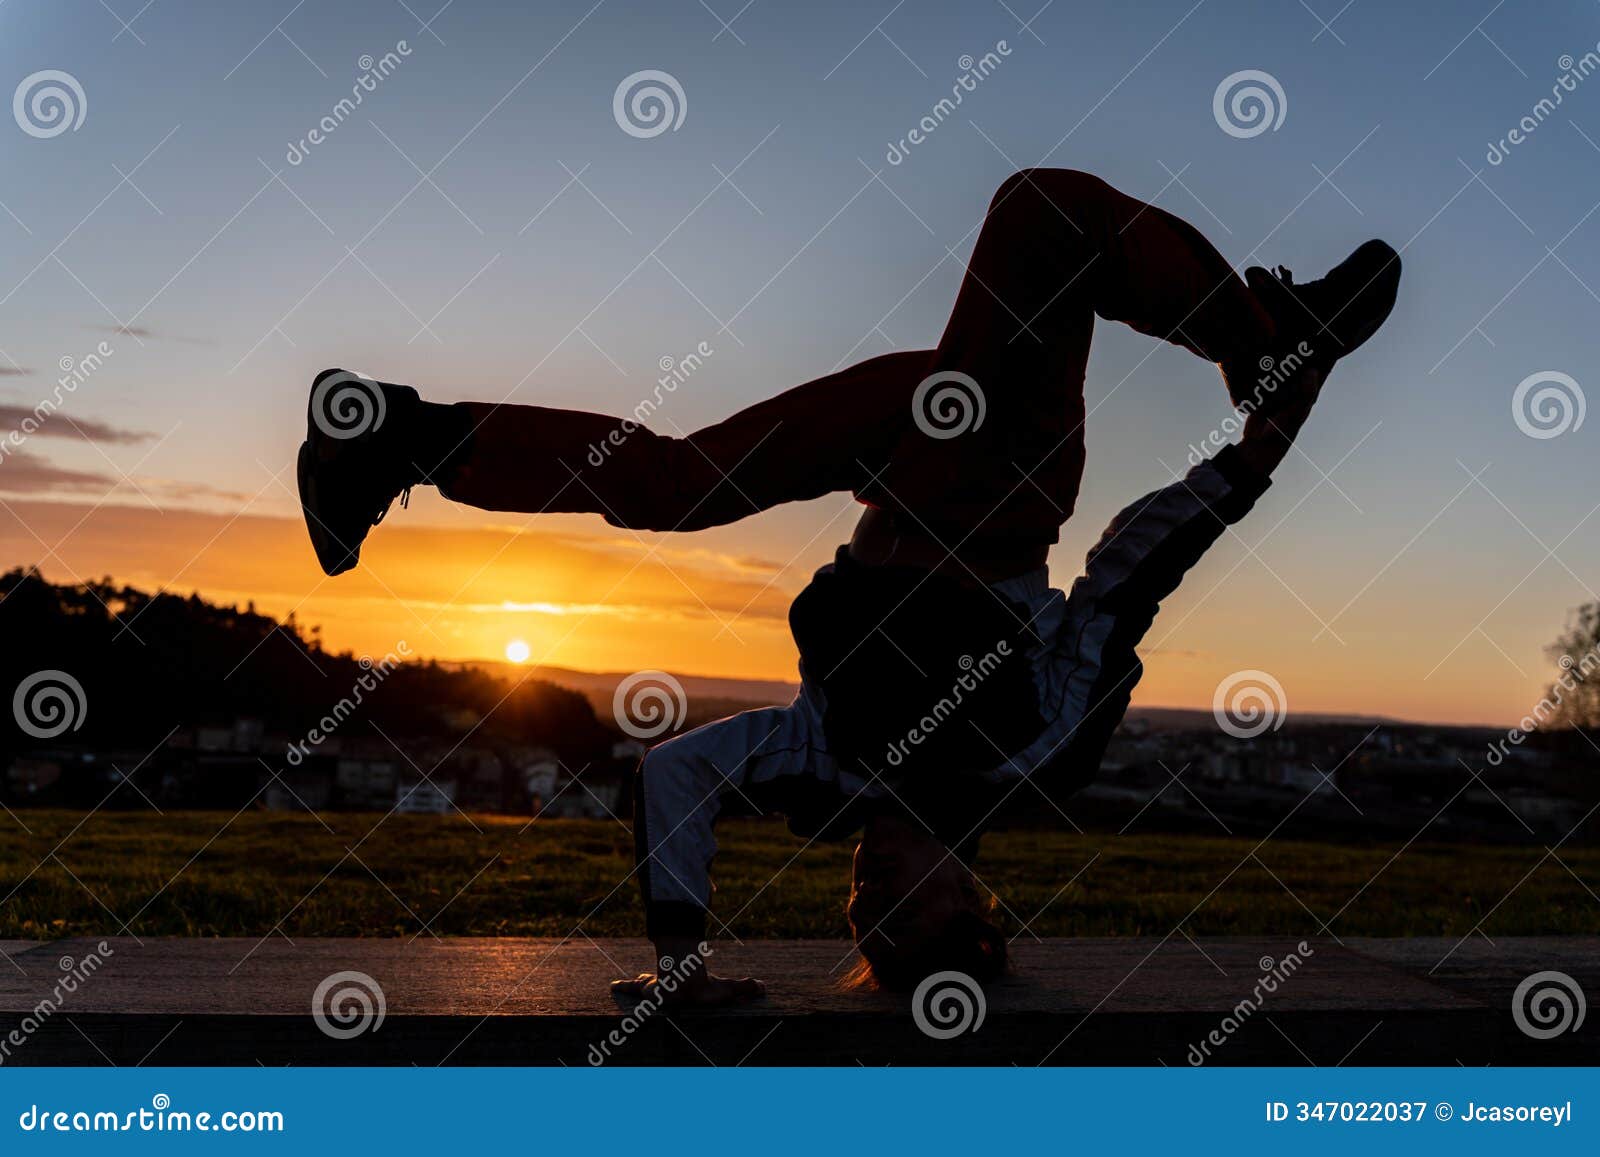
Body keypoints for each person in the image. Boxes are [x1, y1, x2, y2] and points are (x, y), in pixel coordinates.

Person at [296, 168, 1401, 1005]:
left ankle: (391, 437)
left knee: (674, 483)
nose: (867, 897)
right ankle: (1270, 343)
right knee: (1042, 218)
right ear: (970, 897)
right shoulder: (1035, 753)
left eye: (861, 920)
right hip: (997, 471)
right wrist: (1257, 454)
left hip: (898, 456)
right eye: (903, 914)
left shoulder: (822, 767)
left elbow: (676, 772)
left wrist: (680, 968)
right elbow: (1128, 577)